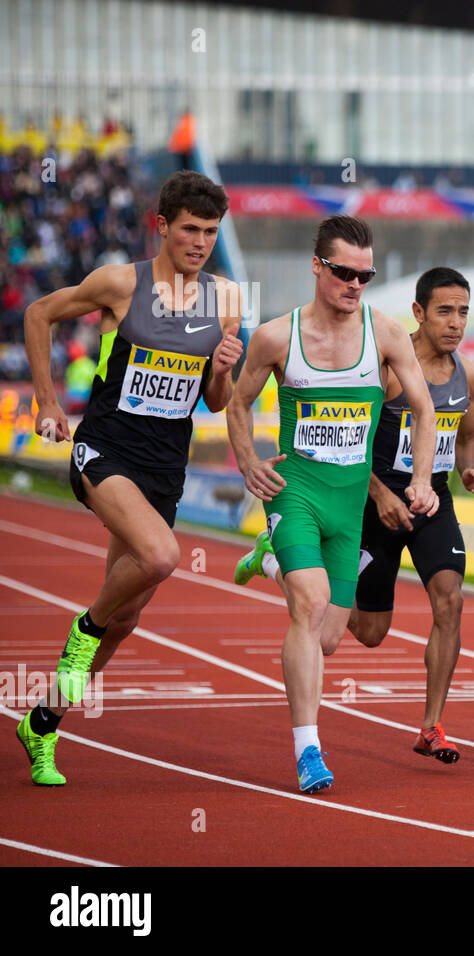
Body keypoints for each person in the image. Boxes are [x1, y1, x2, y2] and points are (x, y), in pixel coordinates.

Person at [16, 170, 242, 787]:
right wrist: (46, 403)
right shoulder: (122, 282)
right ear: (163, 226)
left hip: (166, 467)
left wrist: (223, 370)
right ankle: (82, 626)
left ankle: (41, 722)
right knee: (162, 555)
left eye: (210, 232)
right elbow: (39, 313)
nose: (200, 242)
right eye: (190, 229)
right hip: (105, 449)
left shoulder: (226, 299)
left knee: (129, 618)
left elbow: (217, 403)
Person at [236, 266, 474, 764]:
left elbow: (463, 436)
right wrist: (380, 495)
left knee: (450, 599)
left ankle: (431, 725)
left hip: (430, 498)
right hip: (374, 501)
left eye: (463, 312)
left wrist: (471, 471)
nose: (456, 323)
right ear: (418, 313)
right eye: (444, 311)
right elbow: (354, 445)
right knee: (366, 634)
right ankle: (275, 559)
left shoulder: (470, 374)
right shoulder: (387, 363)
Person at [226, 215, 439, 793]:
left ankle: (269, 559)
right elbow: (239, 404)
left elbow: (424, 409)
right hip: (296, 489)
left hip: (350, 506)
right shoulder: (277, 337)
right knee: (311, 602)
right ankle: (308, 750)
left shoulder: (387, 334)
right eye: (344, 272)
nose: (355, 284)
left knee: (327, 638)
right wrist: (248, 462)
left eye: (365, 275)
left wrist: (421, 477)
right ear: (318, 266)